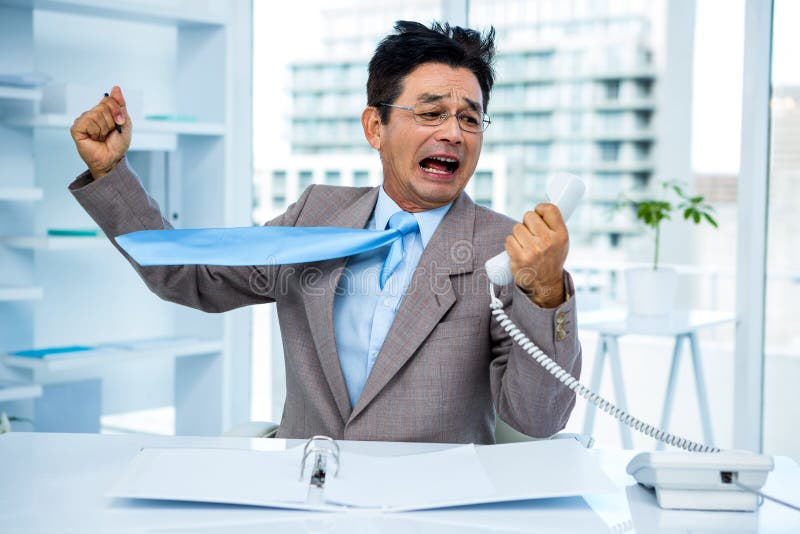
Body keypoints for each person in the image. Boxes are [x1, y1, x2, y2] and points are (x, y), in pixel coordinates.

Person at [68, 21, 581, 444]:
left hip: (430, 511)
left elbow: (539, 418)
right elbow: (187, 275)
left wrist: (546, 292)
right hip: (304, 494)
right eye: (431, 113)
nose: (453, 132)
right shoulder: (317, 213)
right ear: (375, 128)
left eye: (470, 119)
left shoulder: (508, 249)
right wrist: (112, 175)